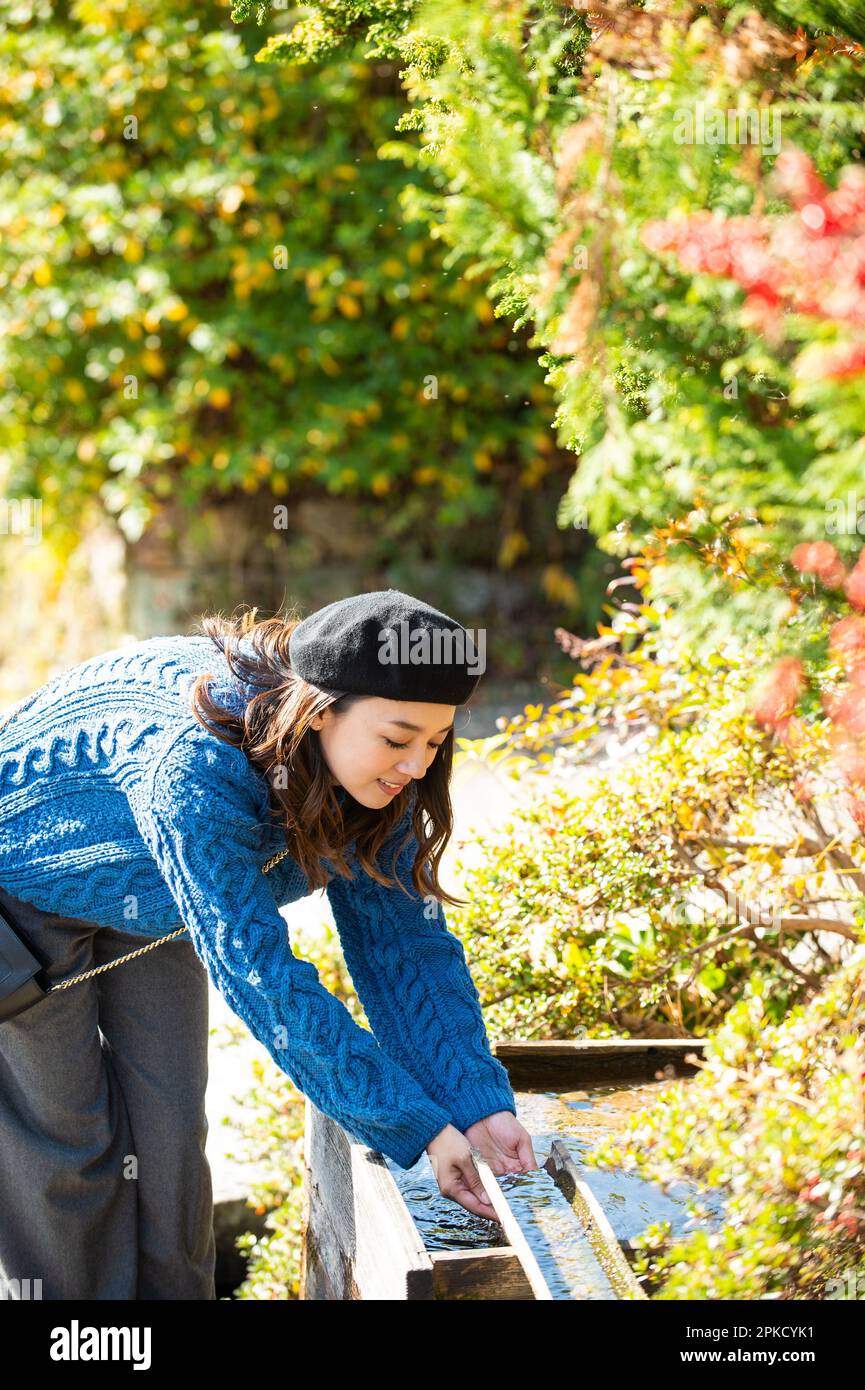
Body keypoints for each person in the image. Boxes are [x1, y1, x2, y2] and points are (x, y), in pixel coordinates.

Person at [0, 588, 537, 1300]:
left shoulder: (385, 782)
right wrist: (409, 1122)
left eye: (435, 741)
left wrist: (474, 1103)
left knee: (171, 1131)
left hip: (159, 891)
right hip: (27, 875)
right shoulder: (194, 766)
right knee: (69, 1147)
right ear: (317, 711)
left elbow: (405, 949)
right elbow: (259, 974)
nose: (415, 764)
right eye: (397, 738)